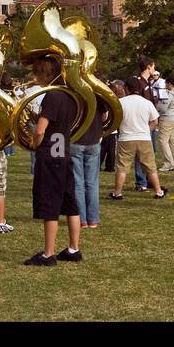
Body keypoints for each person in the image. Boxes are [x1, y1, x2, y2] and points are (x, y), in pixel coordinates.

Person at [24, 54, 87, 265]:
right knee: (70, 203)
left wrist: (34, 142)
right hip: (63, 152)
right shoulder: (70, 94)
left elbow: (41, 130)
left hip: (50, 154)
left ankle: (48, 253)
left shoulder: (52, 96)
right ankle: (73, 248)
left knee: (50, 204)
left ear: (45, 73)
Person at [109, 76, 166, 201]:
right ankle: (158, 191)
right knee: (150, 166)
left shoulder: (121, 103)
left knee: (122, 167)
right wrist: (147, 130)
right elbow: (155, 121)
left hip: (126, 138)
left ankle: (117, 192)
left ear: (126, 88)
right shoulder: (147, 103)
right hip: (144, 137)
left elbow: (114, 120)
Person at [69, 89, 110, 230]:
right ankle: (93, 219)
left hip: (75, 141)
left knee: (78, 183)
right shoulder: (98, 95)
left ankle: (81, 220)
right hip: (93, 140)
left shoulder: (72, 95)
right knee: (92, 182)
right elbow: (104, 117)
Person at [155, 74, 174, 172]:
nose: (165, 86)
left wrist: (158, 104)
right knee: (172, 141)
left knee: (163, 140)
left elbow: (163, 109)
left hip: (167, 118)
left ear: (170, 84)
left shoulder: (169, 94)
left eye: (166, 84)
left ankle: (168, 163)